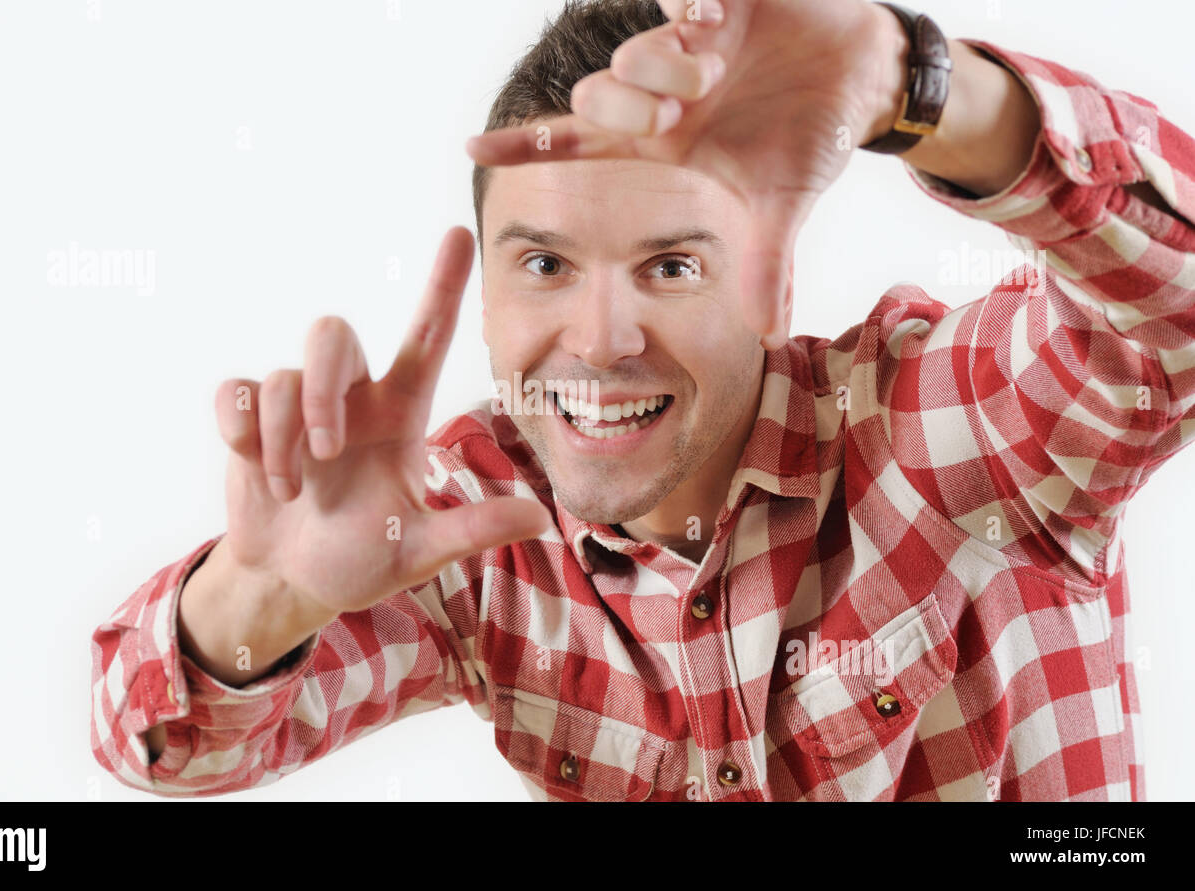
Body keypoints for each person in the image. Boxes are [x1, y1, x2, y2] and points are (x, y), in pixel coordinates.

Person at [90, 0, 1195, 801]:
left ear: (774, 283)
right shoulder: (466, 528)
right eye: (544, 265)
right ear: (485, 291)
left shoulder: (946, 434)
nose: (601, 342)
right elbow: (165, 748)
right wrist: (263, 598)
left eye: (670, 266)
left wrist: (918, 83)